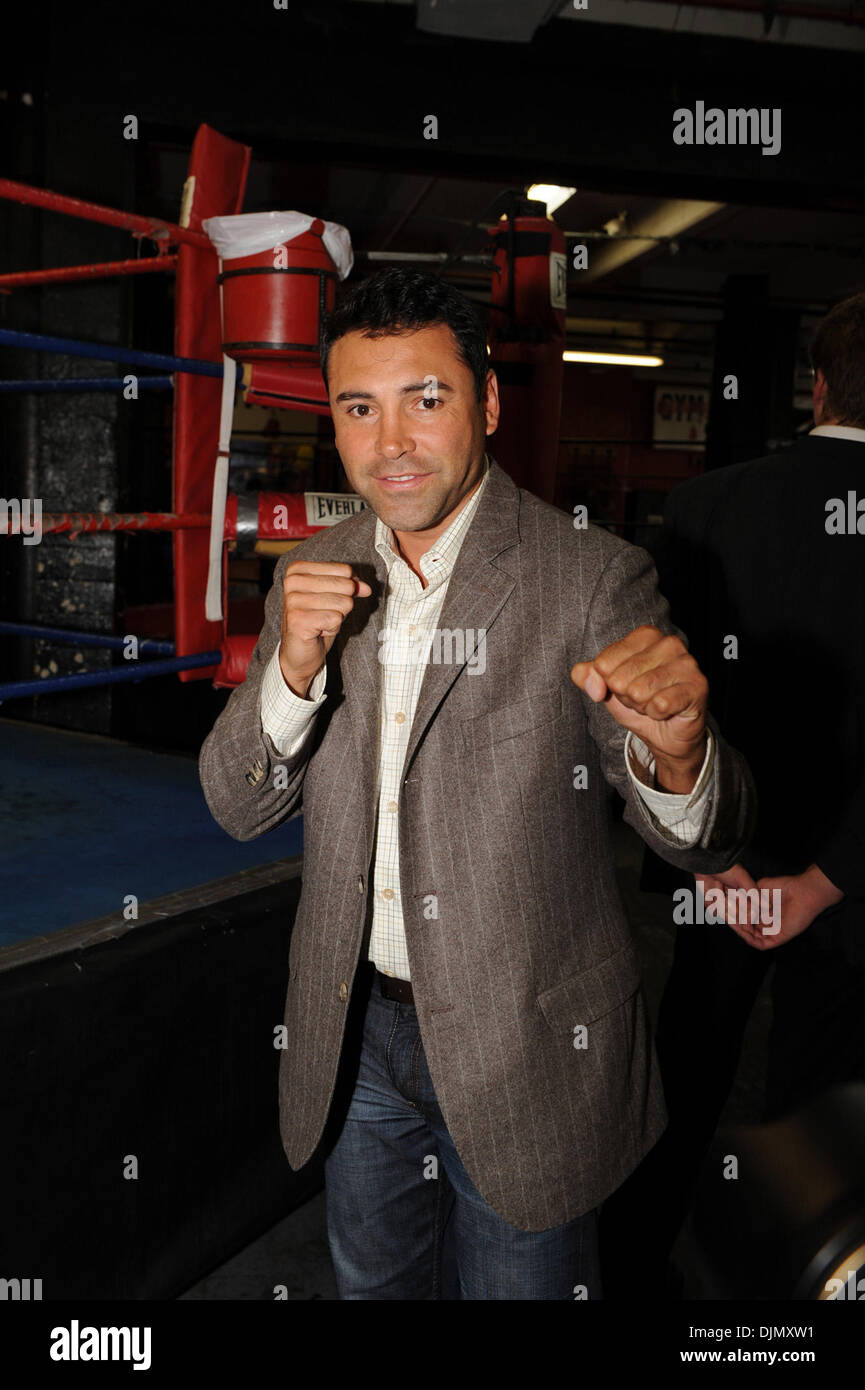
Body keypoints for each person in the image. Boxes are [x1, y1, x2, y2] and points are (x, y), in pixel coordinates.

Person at [199, 267, 755, 1300]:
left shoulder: (588, 574)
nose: (392, 441)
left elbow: (700, 844)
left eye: (427, 397)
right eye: (359, 408)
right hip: (355, 1032)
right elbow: (236, 803)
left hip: (526, 1045)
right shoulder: (312, 570)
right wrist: (289, 671)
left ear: (488, 403)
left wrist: (676, 753)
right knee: (375, 1288)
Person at [600, 291, 865, 1297]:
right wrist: (826, 881)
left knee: (684, 1066)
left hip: (726, 850)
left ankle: (627, 1265)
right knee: (824, 1095)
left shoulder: (711, 504)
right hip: (849, 882)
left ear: (818, 384)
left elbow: (657, 690)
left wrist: (715, 861)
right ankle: (800, 1282)